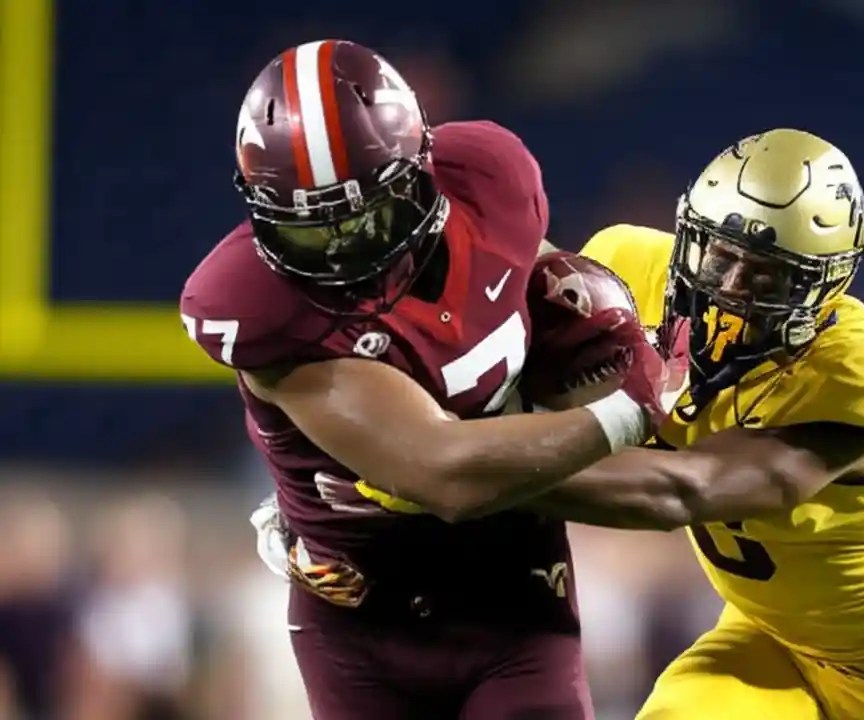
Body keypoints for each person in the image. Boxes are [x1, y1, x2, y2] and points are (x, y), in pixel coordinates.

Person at [179, 39, 675, 720]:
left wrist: (616, 334)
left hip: (511, 585)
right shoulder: (257, 305)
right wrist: (631, 410)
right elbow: (442, 474)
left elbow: (534, 276)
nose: (340, 254)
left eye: (364, 219)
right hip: (361, 618)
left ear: (420, 177)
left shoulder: (486, 181)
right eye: (309, 233)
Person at [531, 129, 864, 719]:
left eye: (767, 276)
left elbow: (687, 487)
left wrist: (483, 467)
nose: (731, 290)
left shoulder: (858, 365)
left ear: (824, 287)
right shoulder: (633, 271)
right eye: (720, 255)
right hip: (769, 638)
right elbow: (508, 270)